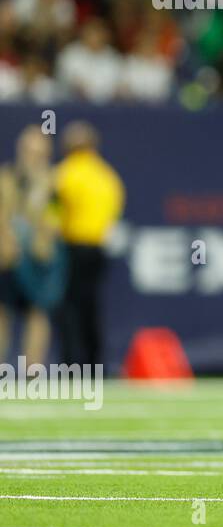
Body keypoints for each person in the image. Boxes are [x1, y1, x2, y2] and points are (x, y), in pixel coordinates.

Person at [53, 121, 125, 367]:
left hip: (71, 247)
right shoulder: (107, 175)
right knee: (91, 305)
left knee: (69, 309)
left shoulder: (65, 174)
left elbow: (54, 213)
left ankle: (73, 365)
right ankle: (95, 364)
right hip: (98, 248)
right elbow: (114, 210)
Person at [0, 126, 66, 367]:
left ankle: (32, 371)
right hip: (7, 256)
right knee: (2, 312)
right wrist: (6, 239)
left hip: (37, 258)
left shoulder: (52, 181)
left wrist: (43, 239)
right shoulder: (5, 177)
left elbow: (55, 216)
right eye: (28, 150)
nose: (32, 156)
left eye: (38, 152)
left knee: (37, 313)